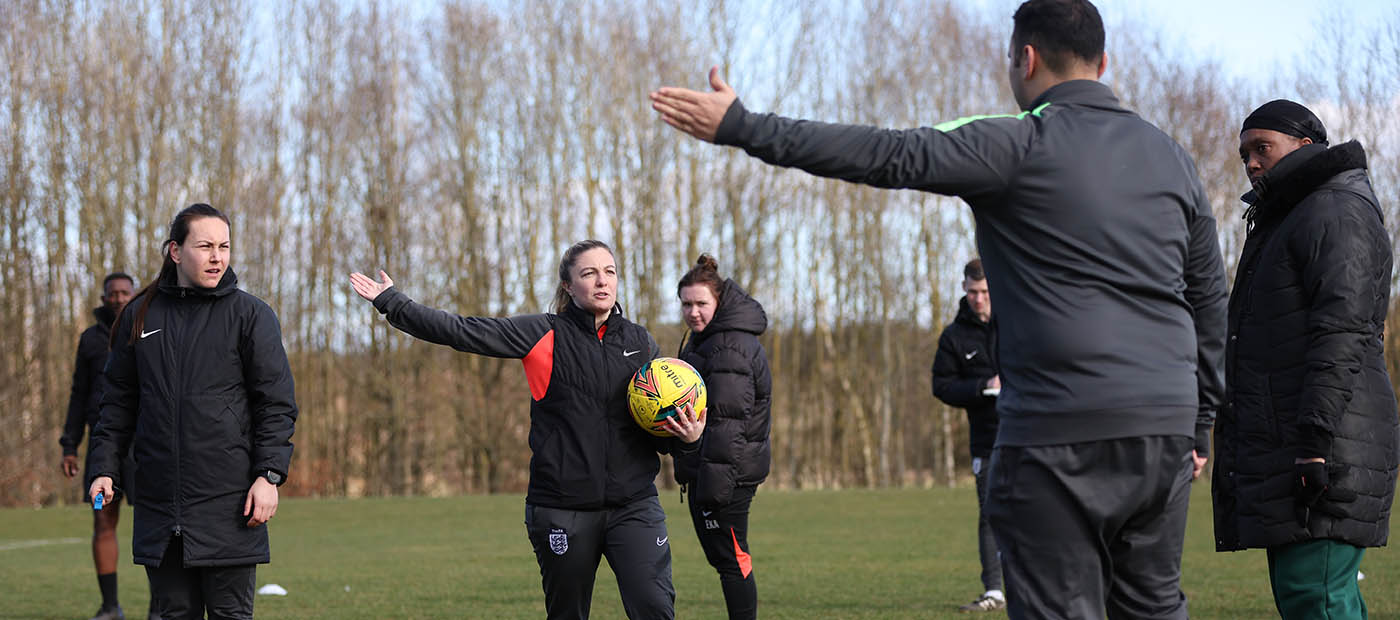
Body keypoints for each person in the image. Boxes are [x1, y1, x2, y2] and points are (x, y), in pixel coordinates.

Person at [649, 0, 1229, 616]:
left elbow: (887, 153)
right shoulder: (1172, 158)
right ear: (1103, 63)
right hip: (1164, 428)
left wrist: (743, 126)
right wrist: (1199, 423)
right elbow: (1209, 296)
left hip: (1059, 432)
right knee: (1153, 606)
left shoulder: (1015, 142)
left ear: (1025, 59)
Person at [349, 239, 705, 620]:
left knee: (655, 609)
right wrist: (392, 302)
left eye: (610, 271)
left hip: (634, 506)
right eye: (589, 273)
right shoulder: (542, 333)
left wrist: (688, 440)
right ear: (568, 285)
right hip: (562, 510)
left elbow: (657, 432)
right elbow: (460, 331)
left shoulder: (640, 342)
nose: (603, 281)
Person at [1214, 100, 1398, 619]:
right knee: (1315, 595)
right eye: (1244, 153)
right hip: (1295, 444)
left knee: (1314, 596)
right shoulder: (1289, 215)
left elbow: (1343, 331)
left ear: (1306, 145)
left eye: (1262, 148)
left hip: (1325, 444)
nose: (1251, 162)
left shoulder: (1333, 209)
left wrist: (1316, 443)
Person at [88, 204, 299, 620]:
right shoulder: (139, 314)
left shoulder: (251, 315)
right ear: (175, 251)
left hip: (231, 508)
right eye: (205, 246)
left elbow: (276, 405)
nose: (217, 257)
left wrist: (269, 475)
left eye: (224, 246)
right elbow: (117, 405)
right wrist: (105, 468)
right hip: (160, 508)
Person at [673, 254, 771, 620]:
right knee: (726, 559)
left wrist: (711, 491)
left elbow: (728, 425)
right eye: (686, 304)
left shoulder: (729, 346)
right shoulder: (706, 340)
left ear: (719, 301)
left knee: (732, 560)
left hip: (726, 477)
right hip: (714, 470)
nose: (693, 312)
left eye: (701, 303)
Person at [60, 272, 161, 620]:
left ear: (134, 295)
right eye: (112, 293)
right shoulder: (90, 340)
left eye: (124, 292)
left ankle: (159, 609)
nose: (118, 298)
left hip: (146, 444)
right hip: (104, 446)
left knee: (155, 523)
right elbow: (78, 393)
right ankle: (109, 607)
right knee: (103, 522)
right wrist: (69, 444)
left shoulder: (148, 328)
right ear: (104, 299)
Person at [930, 259, 1004, 612]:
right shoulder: (954, 337)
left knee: (1041, 512)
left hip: (1030, 436)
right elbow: (942, 386)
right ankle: (994, 592)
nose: (978, 298)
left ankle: (1037, 584)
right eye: (973, 291)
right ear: (963, 288)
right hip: (986, 441)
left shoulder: (1017, 322)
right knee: (990, 515)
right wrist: (982, 386)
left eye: (985, 291)